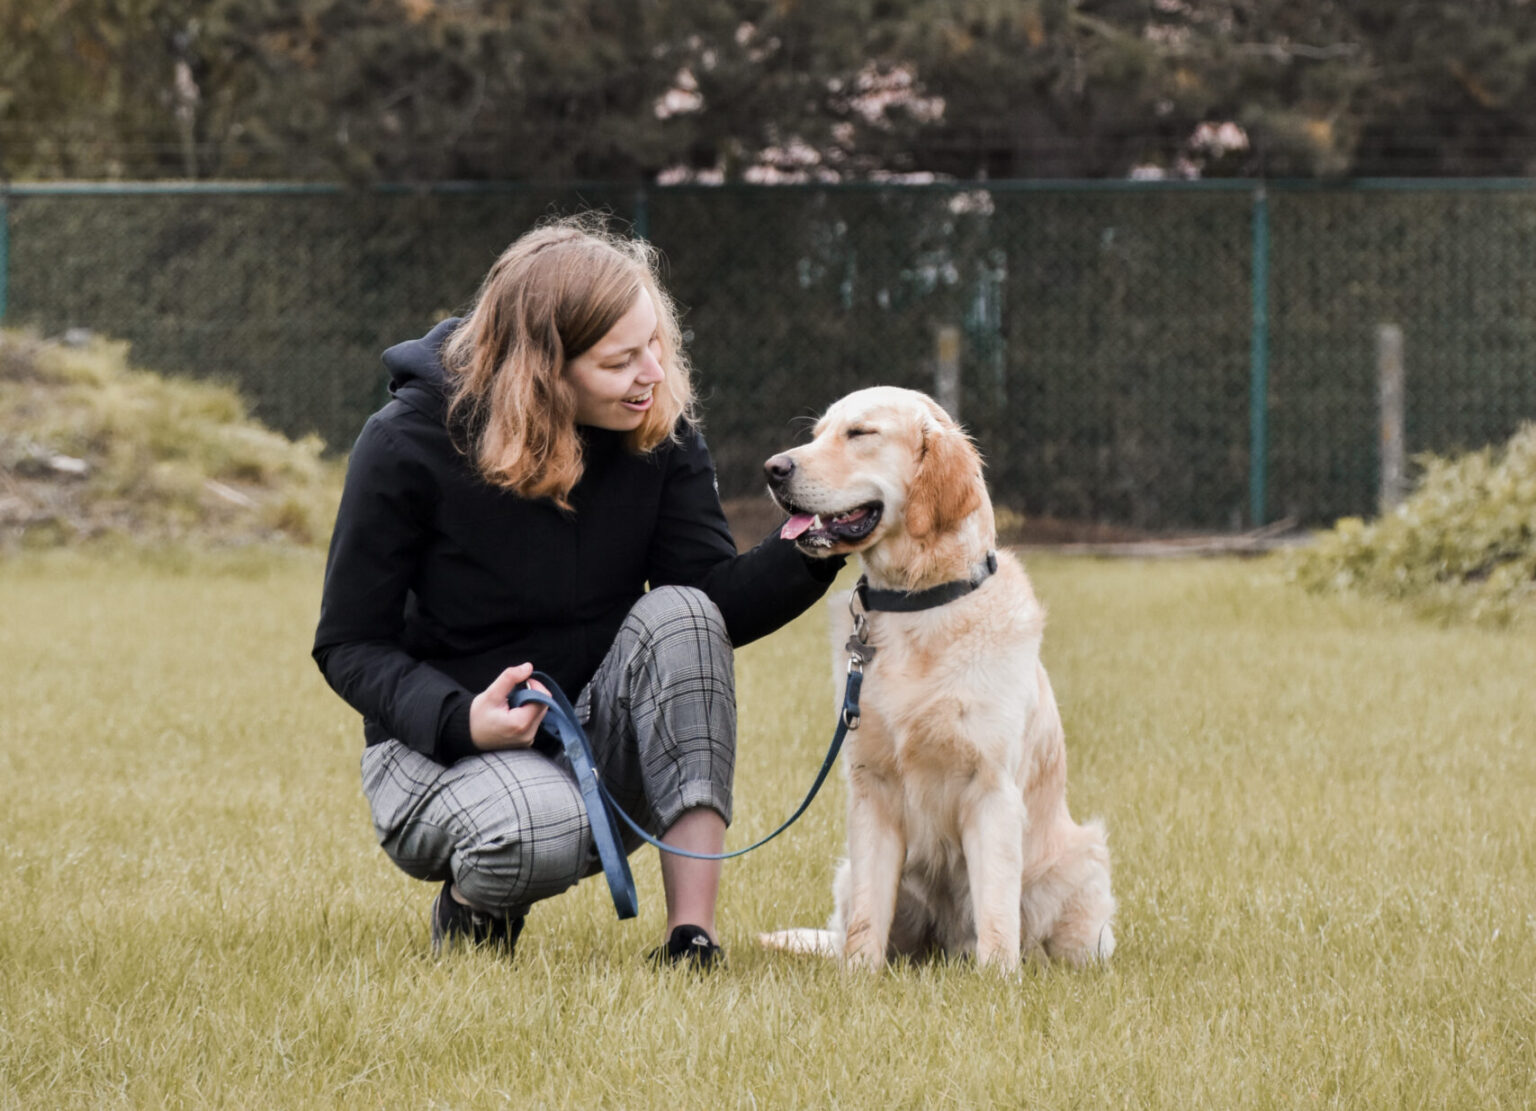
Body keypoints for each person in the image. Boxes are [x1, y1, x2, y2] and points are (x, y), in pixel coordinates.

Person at [312, 215, 843, 967]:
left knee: (683, 614)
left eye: (655, 345)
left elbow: (710, 601)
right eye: (621, 360)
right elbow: (348, 643)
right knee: (538, 827)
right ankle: (473, 908)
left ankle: (691, 941)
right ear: (543, 367)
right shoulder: (405, 442)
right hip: (436, 744)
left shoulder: (654, 425)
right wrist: (462, 718)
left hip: (593, 733)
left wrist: (816, 543)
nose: (653, 374)